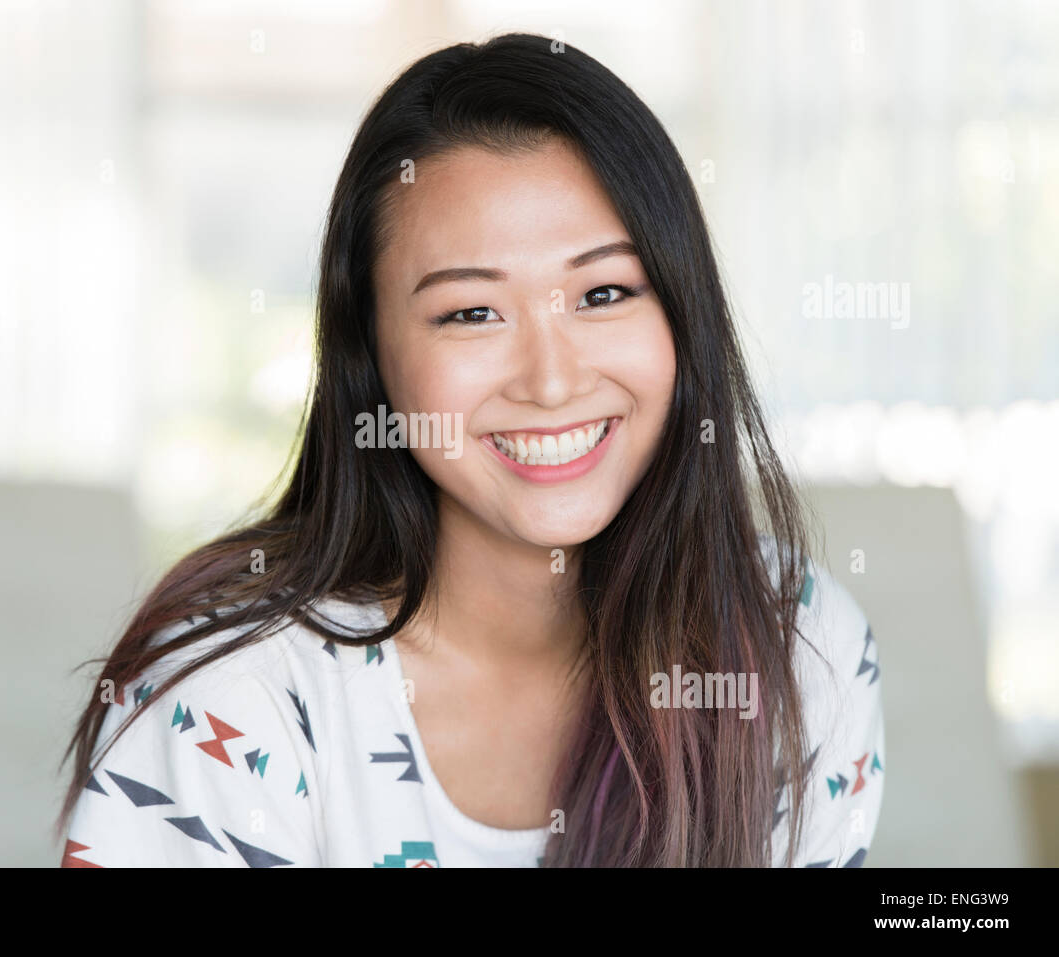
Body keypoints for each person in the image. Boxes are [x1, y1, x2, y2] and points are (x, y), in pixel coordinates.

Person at [55, 32, 884, 868]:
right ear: (369, 352)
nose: (552, 381)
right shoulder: (233, 693)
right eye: (470, 312)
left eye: (603, 293)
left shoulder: (794, 646)